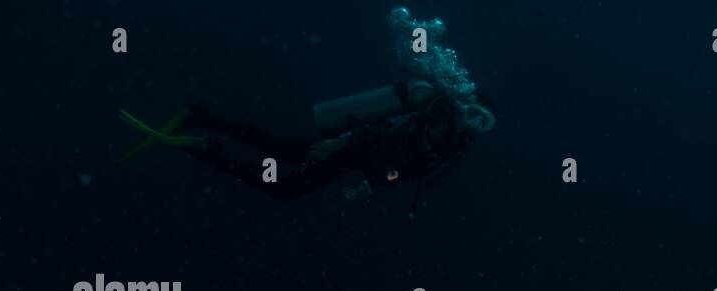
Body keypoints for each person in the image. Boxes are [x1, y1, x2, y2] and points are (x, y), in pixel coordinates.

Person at [117, 6, 495, 203]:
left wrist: (374, 183)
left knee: (280, 153)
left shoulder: (454, 145)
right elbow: (386, 130)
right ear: (466, 103)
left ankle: (203, 121)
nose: (474, 122)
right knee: (283, 181)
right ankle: (206, 143)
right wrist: (341, 143)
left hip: (356, 161)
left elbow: (406, 167)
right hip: (349, 148)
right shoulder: (435, 111)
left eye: (484, 123)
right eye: (476, 112)